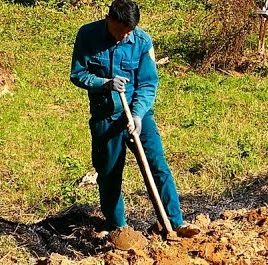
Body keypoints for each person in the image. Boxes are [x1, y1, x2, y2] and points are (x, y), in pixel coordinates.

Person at [70, 0, 197, 237]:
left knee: (157, 164)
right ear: (109, 19)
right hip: (106, 115)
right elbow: (78, 75)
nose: (125, 35)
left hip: (138, 113)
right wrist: (104, 83)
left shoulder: (141, 41)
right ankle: (118, 228)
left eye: (130, 30)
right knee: (108, 172)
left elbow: (148, 82)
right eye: (121, 31)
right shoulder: (88, 35)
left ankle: (175, 222)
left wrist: (138, 114)